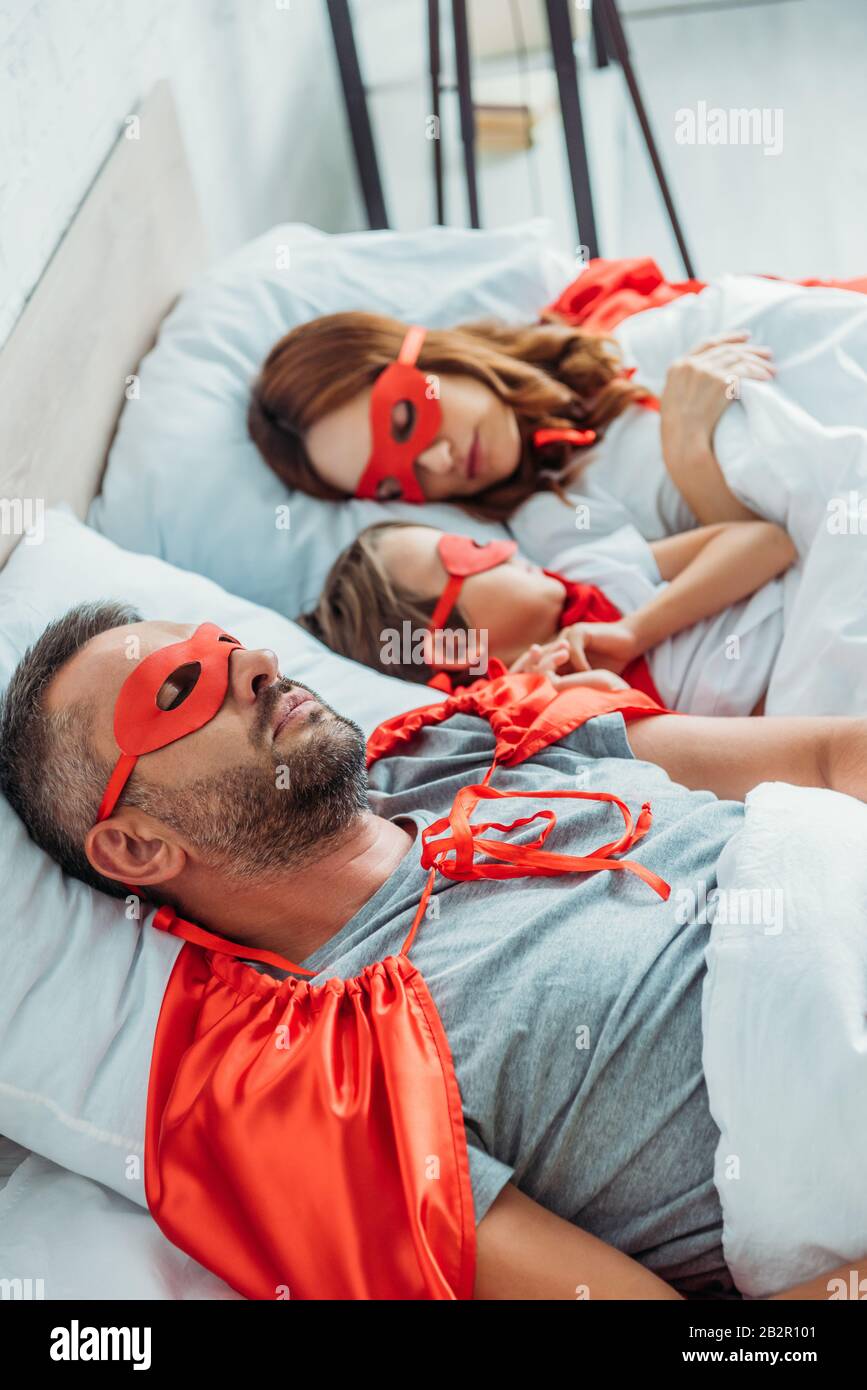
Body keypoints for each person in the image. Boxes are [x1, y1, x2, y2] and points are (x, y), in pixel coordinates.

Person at [1, 601, 865, 1300]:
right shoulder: (334, 1090)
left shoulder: (481, 742)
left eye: (225, 644)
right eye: (179, 687)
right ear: (138, 849)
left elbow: (828, 760)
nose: (254, 664)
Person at [247, 310, 772, 525]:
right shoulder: (558, 525)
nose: (441, 460)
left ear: (422, 354)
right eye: (397, 483)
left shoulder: (624, 339)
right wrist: (687, 451)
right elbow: (767, 563)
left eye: (406, 421)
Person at [302, 518, 795, 717]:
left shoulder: (589, 569)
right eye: (471, 552)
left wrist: (634, 631)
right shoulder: (526, 714)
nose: (503, 547)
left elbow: (768, 543)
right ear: (453, 646)